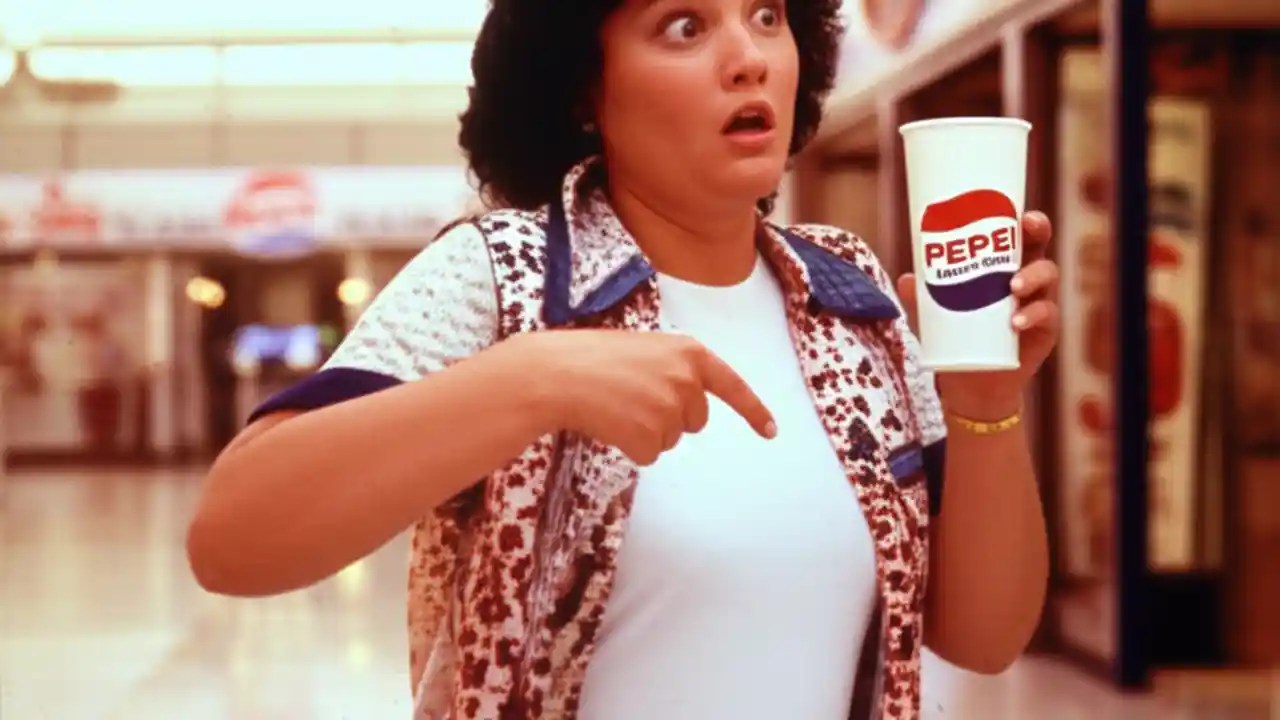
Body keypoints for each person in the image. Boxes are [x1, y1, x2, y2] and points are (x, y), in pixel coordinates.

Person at [186, 1, 1057, 718]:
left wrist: (986, 400)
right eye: (684, 26)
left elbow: (981, 637)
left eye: (766, 17)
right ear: (583, 91)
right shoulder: (505, 273)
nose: (748, 58)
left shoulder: (853, 297)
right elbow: (233, 541)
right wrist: (533, 379)